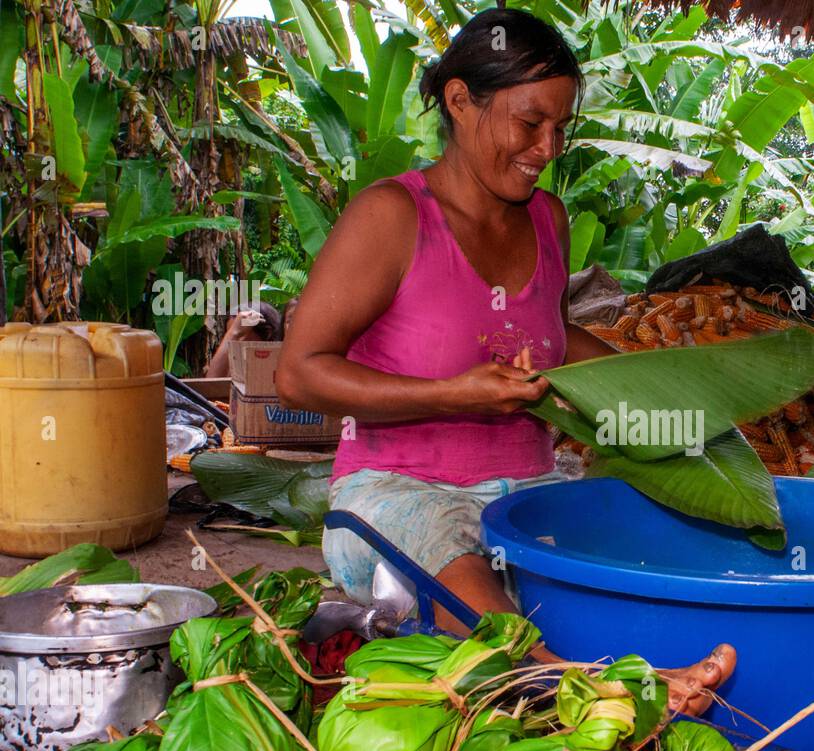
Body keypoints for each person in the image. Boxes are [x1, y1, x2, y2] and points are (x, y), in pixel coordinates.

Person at [277, 8, 734, 713]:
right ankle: (586, 690)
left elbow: (552, 340)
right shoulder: (393, 217)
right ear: (460, 102)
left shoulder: (546, 218)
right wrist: (452, 394)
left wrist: (648, 385)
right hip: (402, 493)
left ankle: (639, 666)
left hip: (531, 487)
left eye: (560, 127)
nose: (547, 147)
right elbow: (298, 371)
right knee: (470, 588)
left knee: (647, 536)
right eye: (529, 124)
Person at [203, 300, 284, 378]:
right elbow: (211, 384)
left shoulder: (280, 365)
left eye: (240, 335)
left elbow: (213, 379)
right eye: (228, 336)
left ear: (267, 334)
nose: (232, 343)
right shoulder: (235, 364)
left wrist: (235, 333)